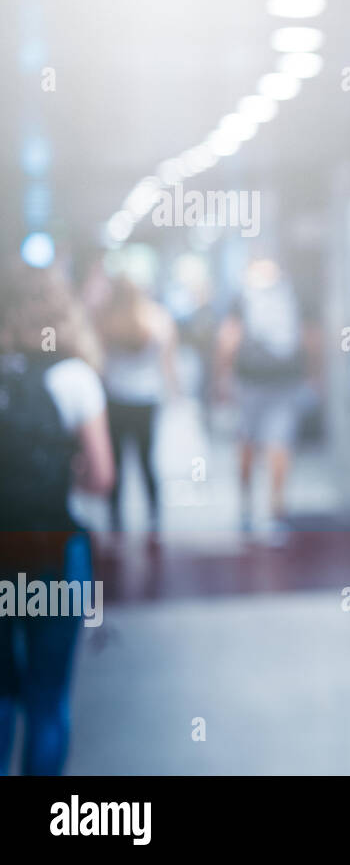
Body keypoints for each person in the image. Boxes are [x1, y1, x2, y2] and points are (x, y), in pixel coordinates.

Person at [0, 261, 115, 775]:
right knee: (48, 699)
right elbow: (102, 477)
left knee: (1, 695)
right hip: (53, 550)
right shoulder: (73, 376)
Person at [214, 258, 306, 545]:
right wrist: (314, 375)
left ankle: (246, 510)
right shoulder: (291, 294)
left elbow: (228, 338)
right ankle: (276, 514)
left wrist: (223, 376)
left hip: (249, 381)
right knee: (280, 444)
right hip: (284, 380)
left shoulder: (242, 297)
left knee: (247, 441)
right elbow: (309, 337)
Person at [96, 274, 179, 540]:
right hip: (147, 397)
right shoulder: (158, 317)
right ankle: (154, 513)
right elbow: (168, 362)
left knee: (117, 460)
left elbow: (98, 360)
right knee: (147, 458)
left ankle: (114, 515)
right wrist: (175, 392)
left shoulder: (106, 320)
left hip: (115, 397)